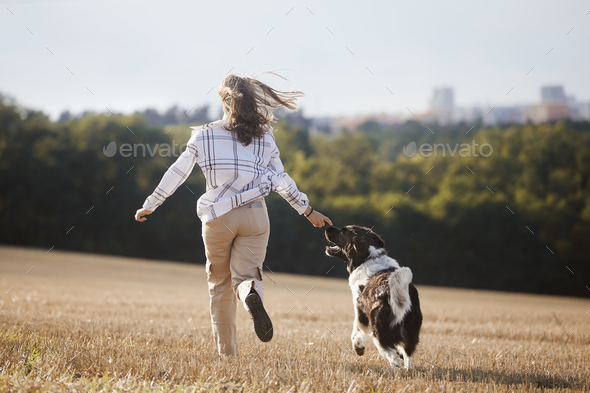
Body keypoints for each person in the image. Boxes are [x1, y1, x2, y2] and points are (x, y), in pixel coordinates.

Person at [134, 71, 332, 356]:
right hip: (255, 215)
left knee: (219, 283)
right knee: (246, 275)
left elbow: (177, 171)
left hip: (218, 217)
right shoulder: (265, 136)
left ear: (225, 102)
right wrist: (307, 209)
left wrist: (152, 202)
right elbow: (280, 179)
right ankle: (250, 290)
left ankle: (227, 354)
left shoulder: (203, 134)